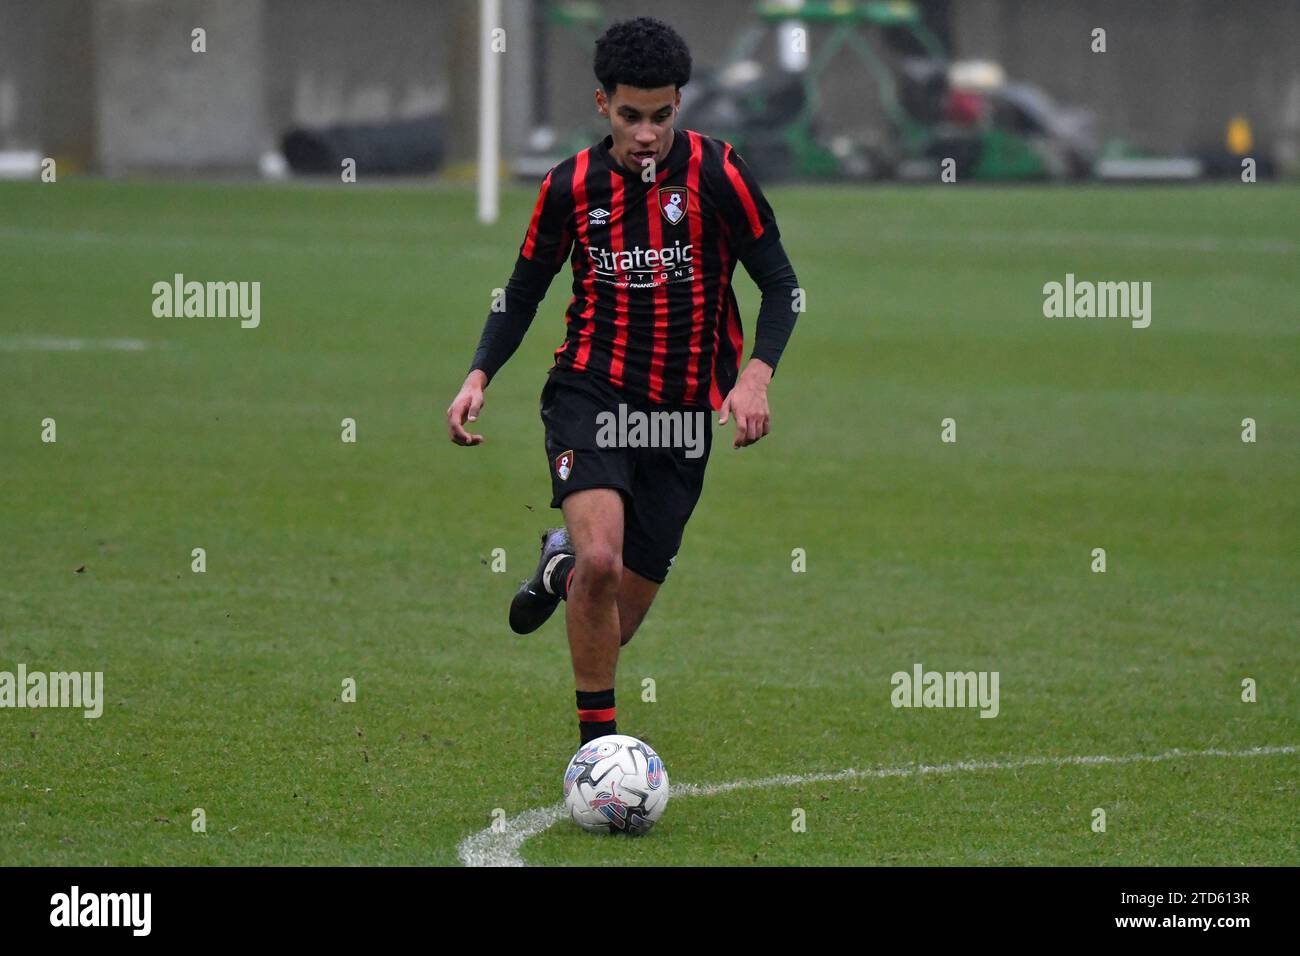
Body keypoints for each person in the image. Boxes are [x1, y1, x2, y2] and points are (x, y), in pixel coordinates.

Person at [446, 16, 800, 745]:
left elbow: (781, 285)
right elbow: (521, 293)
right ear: (602, 102)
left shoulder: (720, 174)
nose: (647, 134)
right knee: (603, 565)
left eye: (662, 116)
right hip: (592, 395)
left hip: (680, 417)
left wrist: (756, 376)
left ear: (680, 104)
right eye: (631, 116)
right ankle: (597, 758)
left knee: (615, 620)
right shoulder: (568, 186)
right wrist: (479, 374)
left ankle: (560, 566)